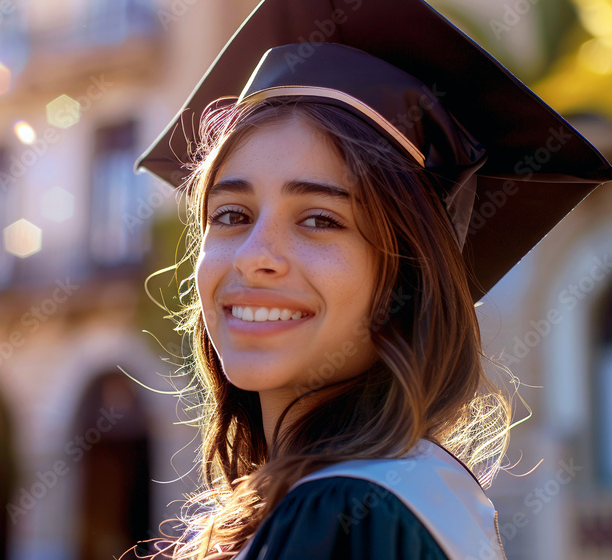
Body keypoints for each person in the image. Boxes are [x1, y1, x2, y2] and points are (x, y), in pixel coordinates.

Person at [132, 0, 612, 558]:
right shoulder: (417, 493)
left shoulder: (341, 513)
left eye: (319, 219)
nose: (254, 256)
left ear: (408, 276)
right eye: (232, 215)